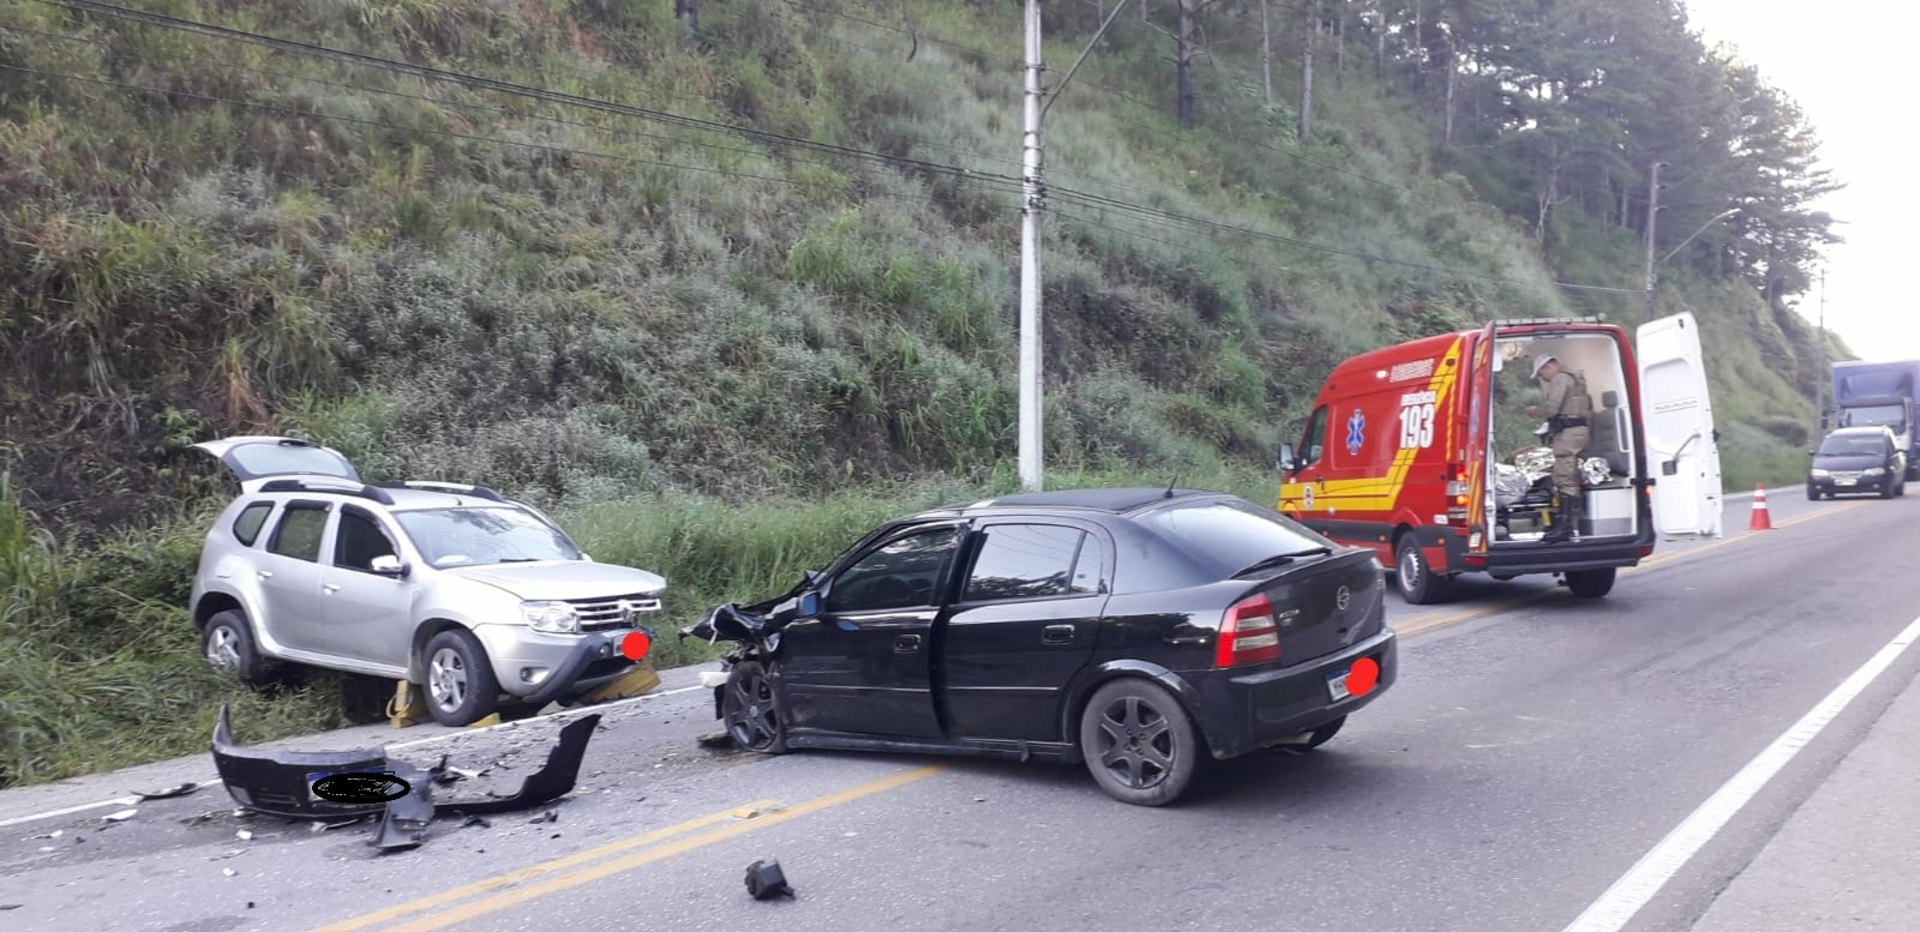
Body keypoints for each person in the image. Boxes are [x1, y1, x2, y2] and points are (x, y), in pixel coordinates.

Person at [1524, 354, 1593, 543]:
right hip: (1577, 432)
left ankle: (1565, 528)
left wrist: (1534, 412)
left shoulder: (1560, 378)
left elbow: (1552, 410)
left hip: (1568, 434)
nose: (1542, 378)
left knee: (1564, 478)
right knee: (1568, 476)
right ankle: (1566, 526)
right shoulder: (1574, 378)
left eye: (1541, 373)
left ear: (1549, 367)